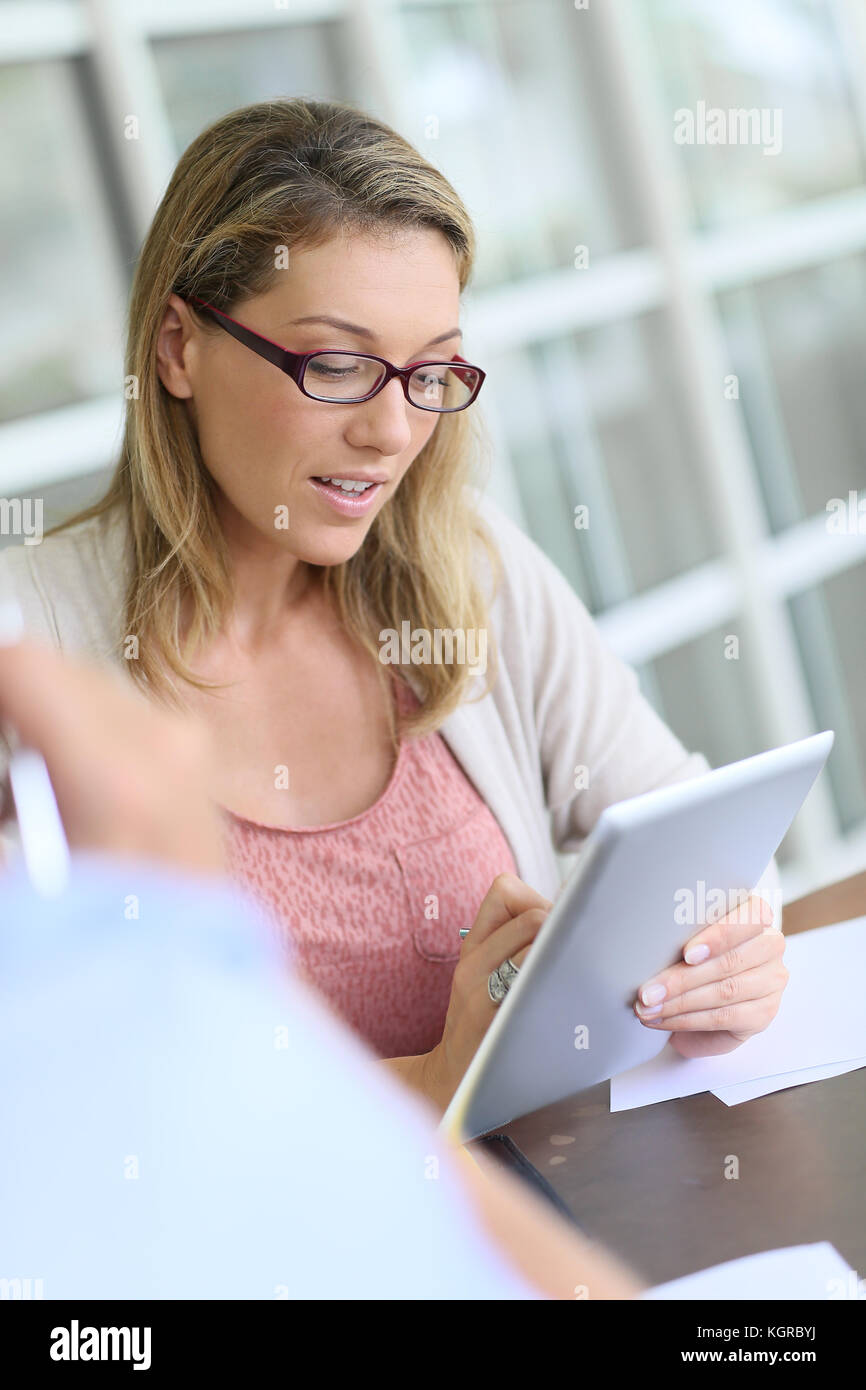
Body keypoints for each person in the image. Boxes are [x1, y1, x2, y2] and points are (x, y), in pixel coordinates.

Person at [0, 98, 786, 1112]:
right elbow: (50, 1114)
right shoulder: (30, 656)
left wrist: (728, 949)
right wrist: (428, 1082)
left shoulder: (468, 567)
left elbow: (697, 836)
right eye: (336, 366)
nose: (392, 431)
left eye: (430, 373)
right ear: (178, 347)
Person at [0, 628, 642, 1299]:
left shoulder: (472, 592)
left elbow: (681, 825)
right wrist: (435, 1078)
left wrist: (695, 949)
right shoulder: (55, 662)